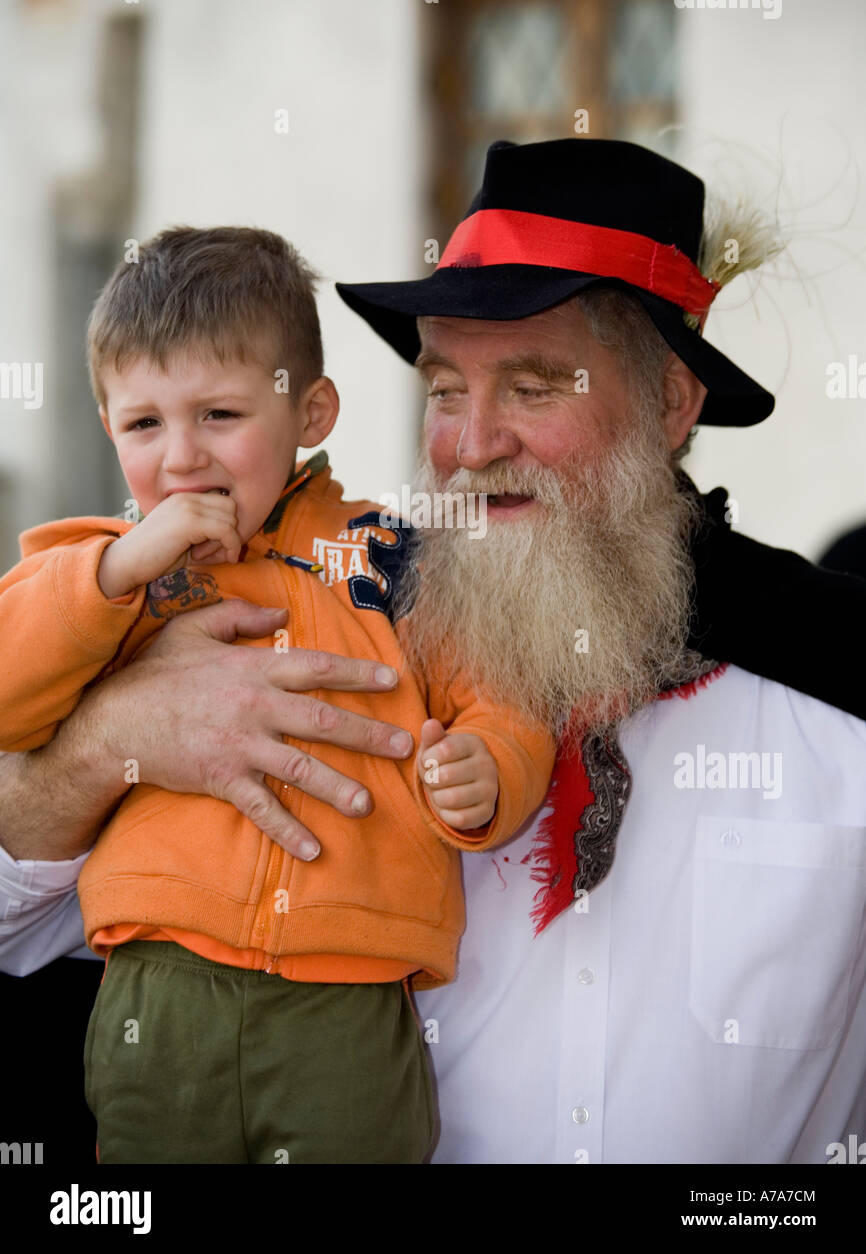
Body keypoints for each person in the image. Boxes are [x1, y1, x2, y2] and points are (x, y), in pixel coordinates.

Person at [2, 136, 865, 1165]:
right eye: (447, 390)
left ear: (672, 402)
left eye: (535, 387)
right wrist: (114, 742)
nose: (470, 442)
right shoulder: (323, 618)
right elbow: (15, 936)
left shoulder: (838, 682)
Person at [0, 225, 554, 1164]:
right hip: (158, 983)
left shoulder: (396, 558)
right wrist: (114, 572)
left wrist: (492, 767)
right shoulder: (105, 574)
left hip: (352, 983)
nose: (180, 458)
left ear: (313, 411)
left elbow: (496, 694)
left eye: (219, 415)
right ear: (108, 429)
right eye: (143, 424)